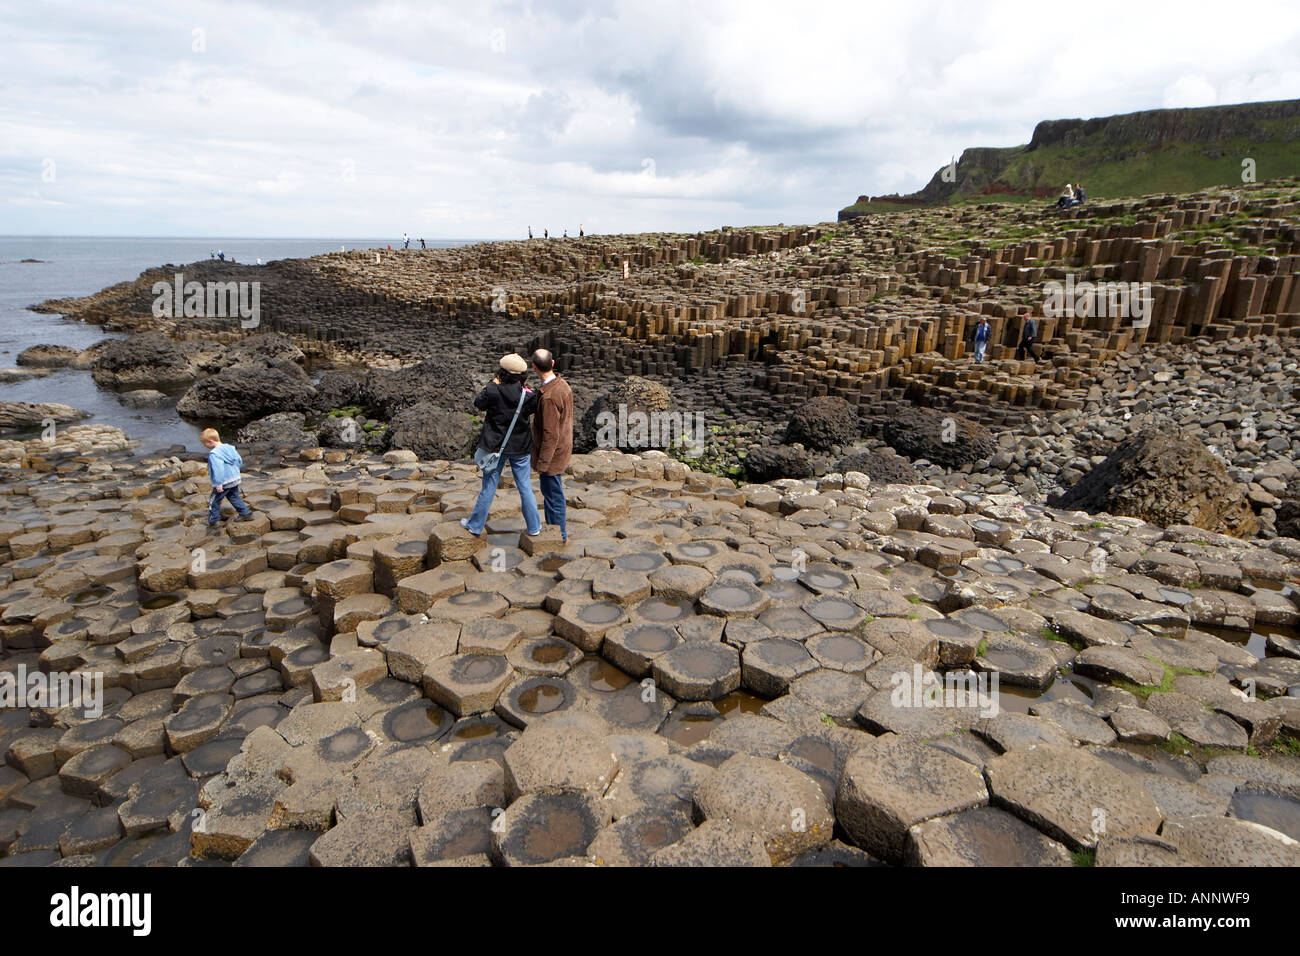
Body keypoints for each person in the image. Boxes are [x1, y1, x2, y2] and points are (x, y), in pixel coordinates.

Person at [461, 354, 542, 536]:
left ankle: (475, 525)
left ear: (502, 373)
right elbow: (532, 410)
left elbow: (479, 403)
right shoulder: (528, 395)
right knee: (525, 487)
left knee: (488, 487)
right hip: (520, 447)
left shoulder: (492, 390)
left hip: (495, 447)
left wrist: (492, 383)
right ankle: (534, 527)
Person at [530, 348, 573, 542]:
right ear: (553, 364)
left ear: (534, 367)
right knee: (553, 494)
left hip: (553, 456)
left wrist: (542, 464)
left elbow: (550, 434)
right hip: (563, 448)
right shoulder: (563, 384)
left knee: (553, 496)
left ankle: (559, 535)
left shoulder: (548, 398)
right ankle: (554, 530)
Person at [201, 428, 253, 528]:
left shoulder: (214, 454)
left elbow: (218, 469)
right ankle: (245, 513)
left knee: (214, 500)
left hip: (224, 482)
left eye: (205, 444)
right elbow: (239, 460)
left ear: (210, 441)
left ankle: (213, 521)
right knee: (234, 496)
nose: (205, 446)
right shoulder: (230, 447)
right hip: (235, 478)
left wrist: (219, 483)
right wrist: (236, 471)